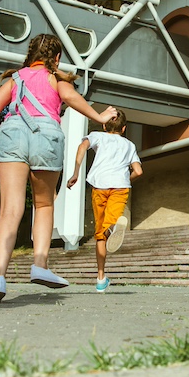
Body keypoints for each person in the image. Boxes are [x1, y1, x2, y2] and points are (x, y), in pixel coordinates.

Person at [0, 34, 117, 304]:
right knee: (43, 205)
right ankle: (40, 265)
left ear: (31, 55)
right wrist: (100, 116)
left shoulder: (15, 79)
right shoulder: (55, 78)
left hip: (12, 132)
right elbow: (72, 97)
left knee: (9, 209)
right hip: (46, 135)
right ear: (56, 59)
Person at [66, 109, 143, 293]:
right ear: (123, 128)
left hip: (99, 186)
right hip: (120, 187)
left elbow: (82, 147)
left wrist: (76, 172)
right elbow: (139, 171)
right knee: (110, 224)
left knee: (100, 235)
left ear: (103, 124)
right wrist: (124, 179)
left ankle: (101, 278)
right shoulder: (130, 145)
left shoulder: (97, 136)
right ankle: (113, 226)